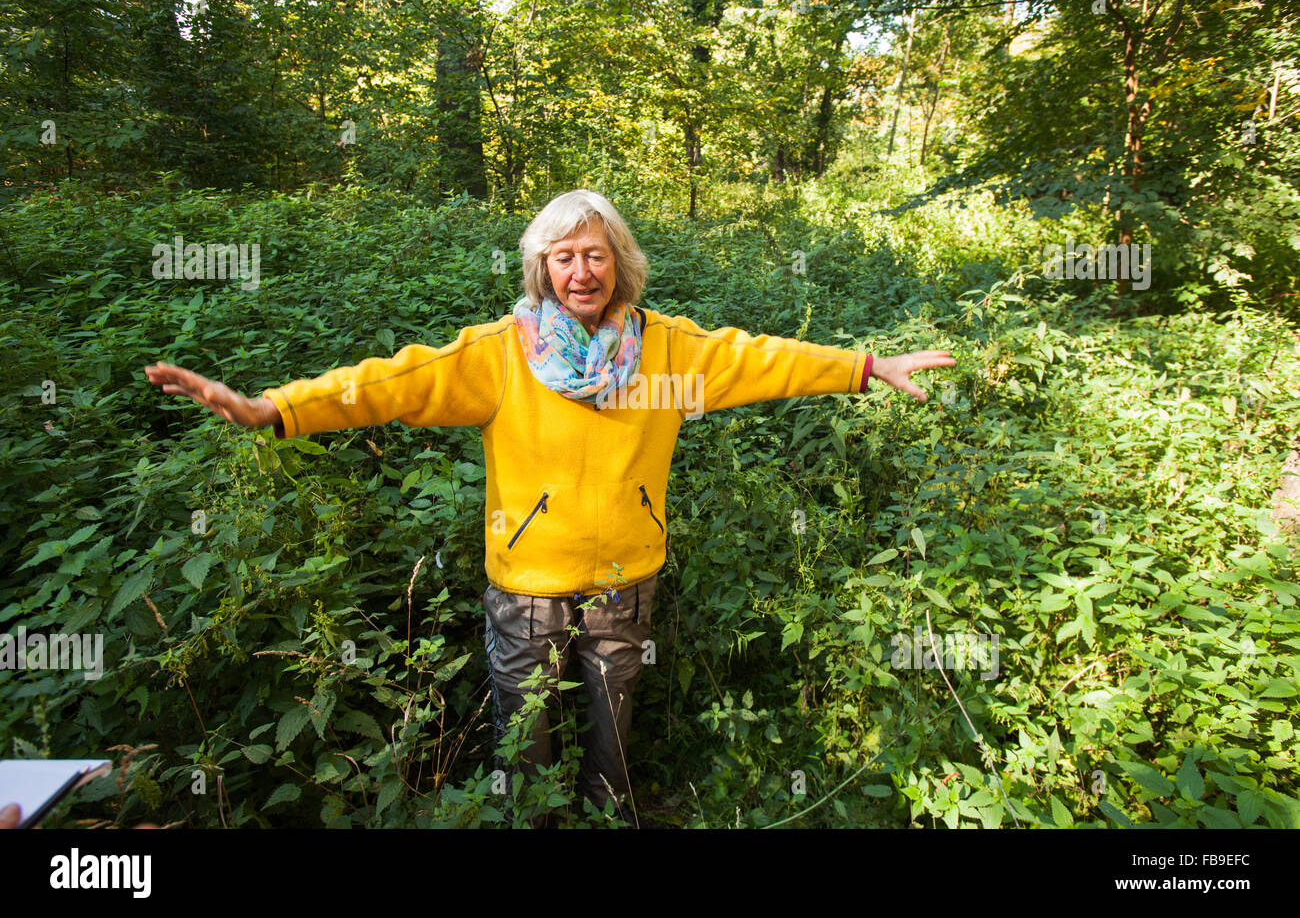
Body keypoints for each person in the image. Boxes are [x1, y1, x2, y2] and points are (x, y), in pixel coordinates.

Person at [144, 188, 954, 826]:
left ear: (619, 263)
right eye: (563, 257)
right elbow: (392, 383)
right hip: (527, 585)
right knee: (523, 747)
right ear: (541, 268)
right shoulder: (502, 355)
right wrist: (272, 408)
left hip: (624, 579)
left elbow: (761, 360)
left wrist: (865, 365)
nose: (581, 273)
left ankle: (609, 819)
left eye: (594, 255)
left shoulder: (667, 354)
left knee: (613, 742)